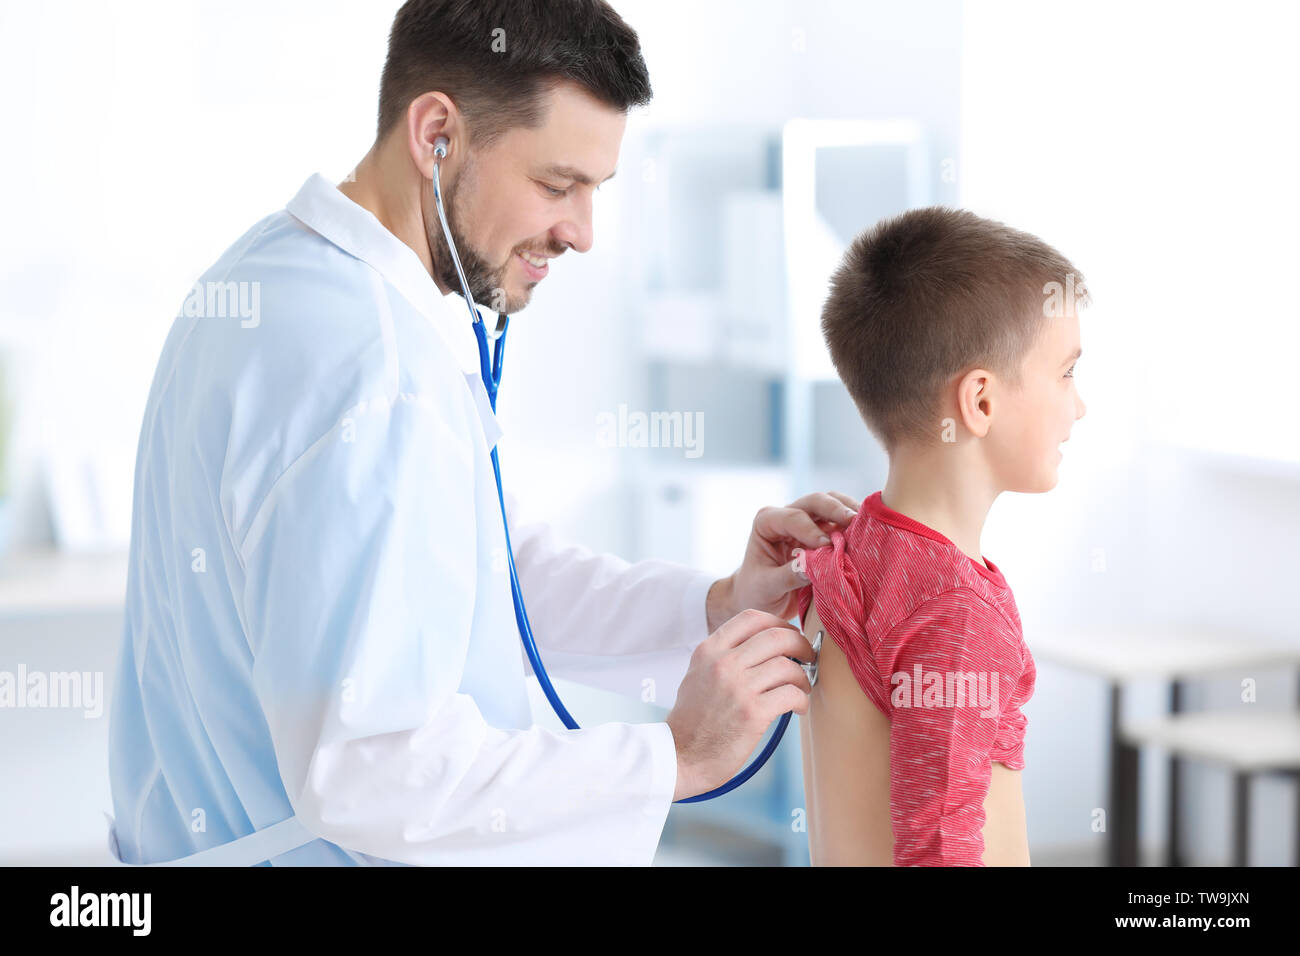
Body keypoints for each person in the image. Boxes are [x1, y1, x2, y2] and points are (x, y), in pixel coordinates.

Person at [107, 0, 858, 866]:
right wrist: (675, 756)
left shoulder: (263, 278)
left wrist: (716, 605)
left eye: (595, 192)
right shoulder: (374, 370)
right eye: (557, 184)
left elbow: (470, 585)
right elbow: (372, 769)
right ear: (436, 136)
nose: (581, 232)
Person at [795, 206, 1088, 865]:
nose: (1080, 405)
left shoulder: (857, 550)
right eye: (1067, 372)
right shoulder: (956, 611)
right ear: (980, 402)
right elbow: (940, 849)